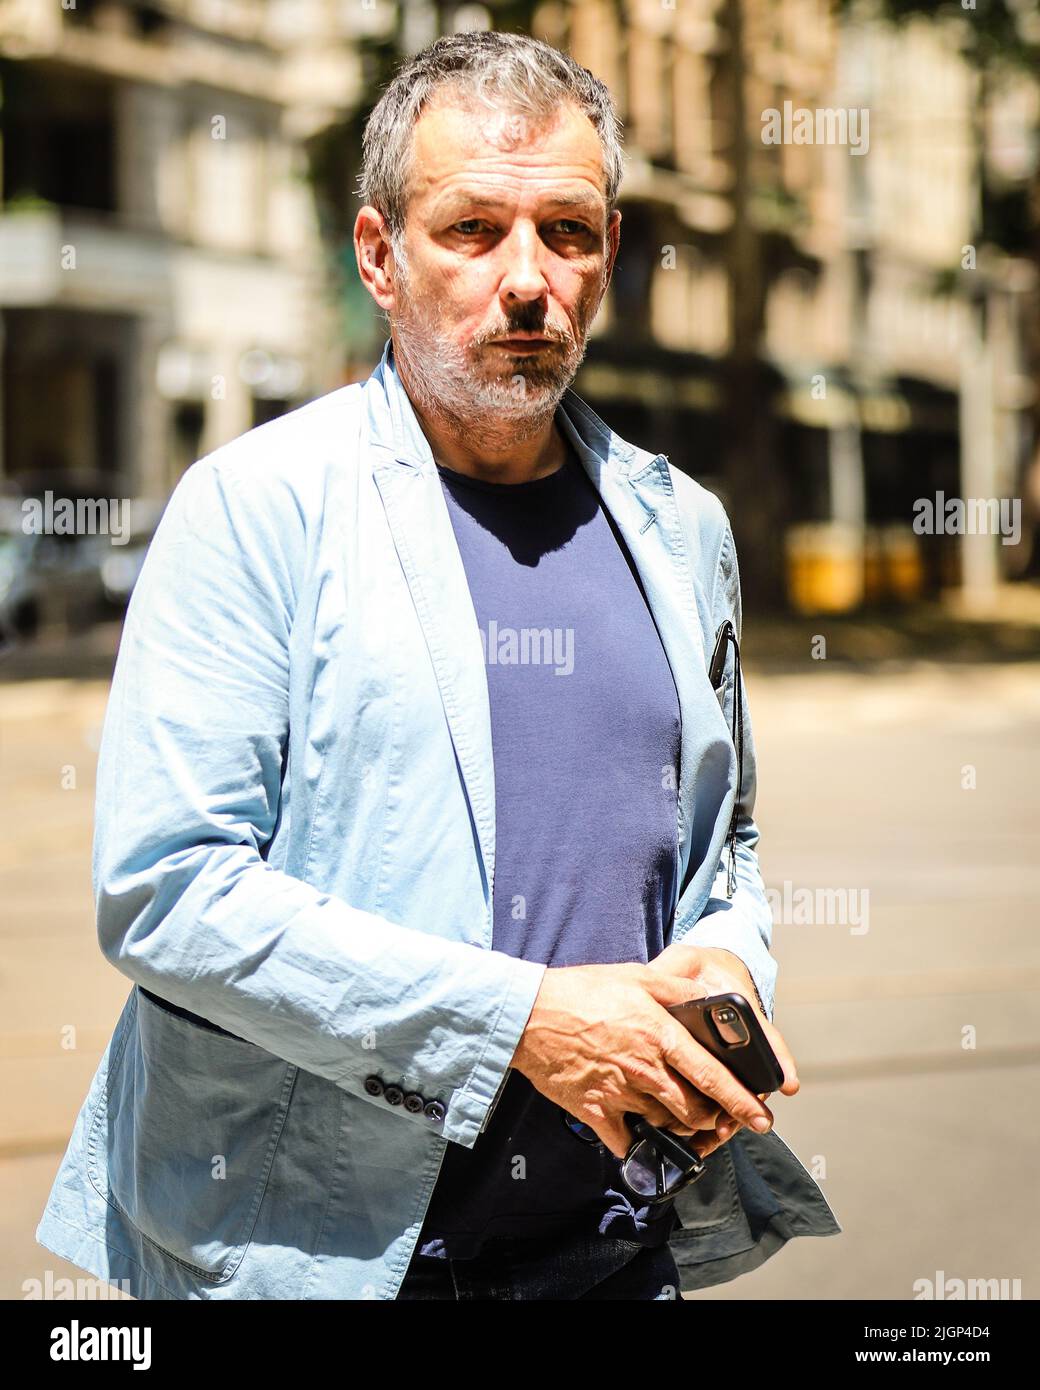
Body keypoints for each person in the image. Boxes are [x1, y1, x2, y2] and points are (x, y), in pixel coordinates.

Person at [36, 30, 839, 1302]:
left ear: (609, 256)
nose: (528, 280)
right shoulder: (255, 505)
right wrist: (522, 1025)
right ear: (378, 258)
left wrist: (728, 961)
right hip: (324, 1259)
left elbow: (721, 846)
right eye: (473, 230)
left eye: (567, 233)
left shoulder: (679, 522)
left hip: (617, 1248)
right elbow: (167, 890)